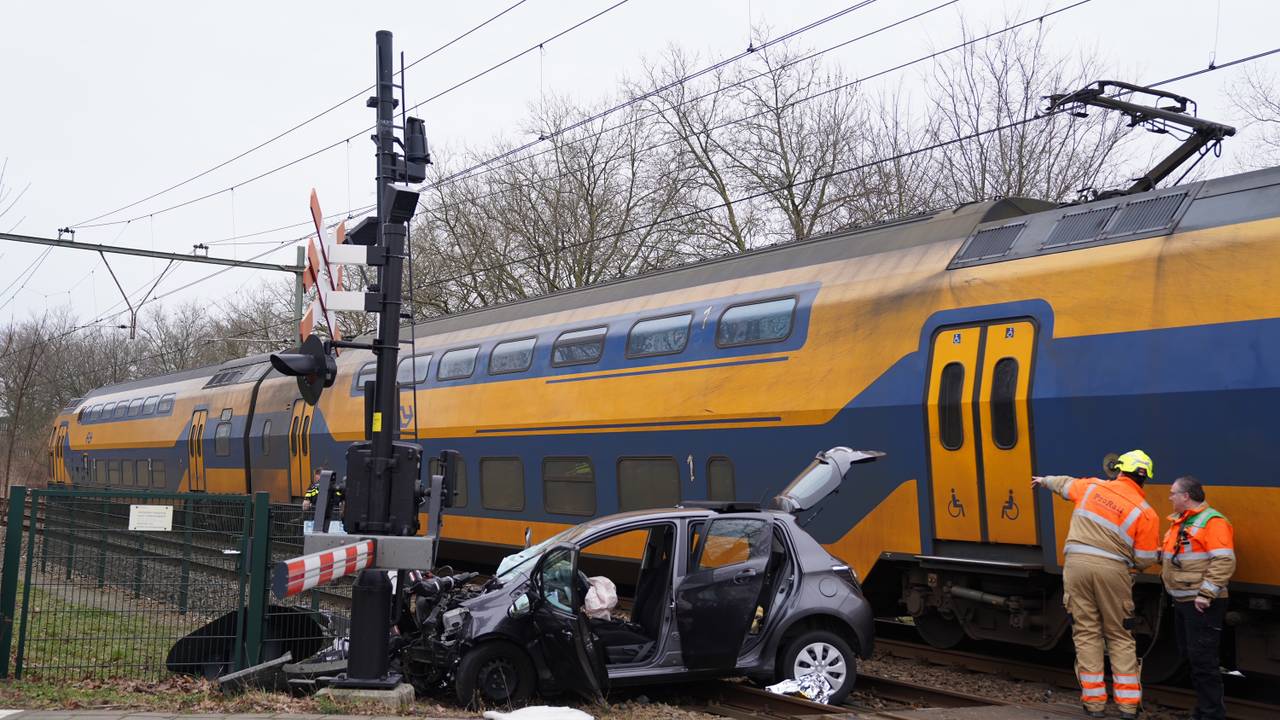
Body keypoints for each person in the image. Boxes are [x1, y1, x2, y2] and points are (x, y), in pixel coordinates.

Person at [1033, 450, 1160, 718]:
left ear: (1119, 471)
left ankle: (1094, 704)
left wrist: (1044, 480)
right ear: (1144, 479)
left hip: (1076, 566)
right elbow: (1146, 559)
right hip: (1113, 571)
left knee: (1087, 632)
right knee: (1119, 634)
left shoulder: (1092, 487)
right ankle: (1127, 706)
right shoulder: (1146, 513)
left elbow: (1064, 484)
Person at [1161, 476, 1234, 720]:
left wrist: (1206, 594)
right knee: (1193, 656)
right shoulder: (1182, 522)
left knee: (1203, 661)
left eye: (1173, 493)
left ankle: (1211, 714)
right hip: (1184, 600)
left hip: (1201, 603)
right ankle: (1205, 710)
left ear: (1186, 496)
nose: (1170, 497)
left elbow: (1224, 560)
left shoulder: (1212, 522)